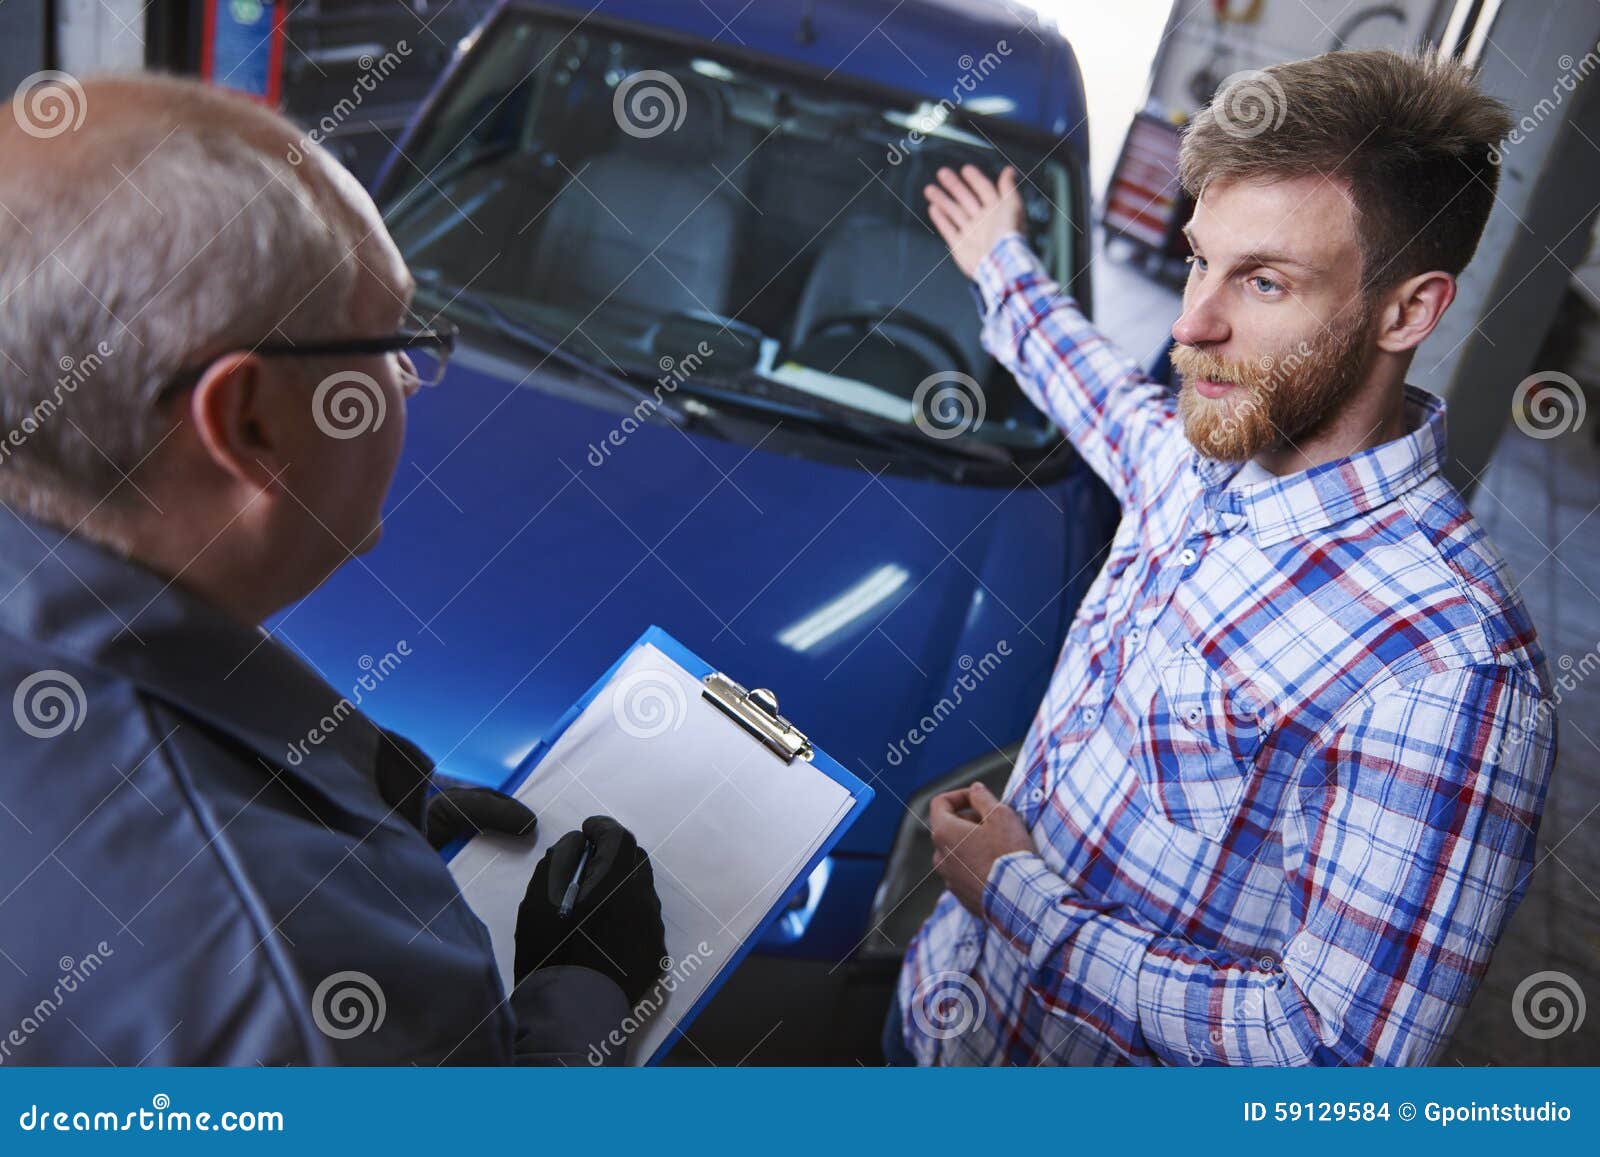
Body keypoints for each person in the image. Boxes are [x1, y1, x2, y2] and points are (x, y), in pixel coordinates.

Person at [891, 49, 1557, 1066]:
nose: (1192, 322)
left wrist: (1015, 896)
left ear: (1407, 311)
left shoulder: (1447, 671)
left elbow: (1332, 1056)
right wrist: (1001, 260)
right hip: (939, 1016)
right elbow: (1095, 389)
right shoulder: (1200, 457)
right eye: (1201, 259)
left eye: (1265, 280)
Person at [0, 74, 664, 1064]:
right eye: (393, 340)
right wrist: (583, 992)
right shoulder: (298, 976)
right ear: (252, 424)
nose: (408, 378)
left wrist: (338, 796)